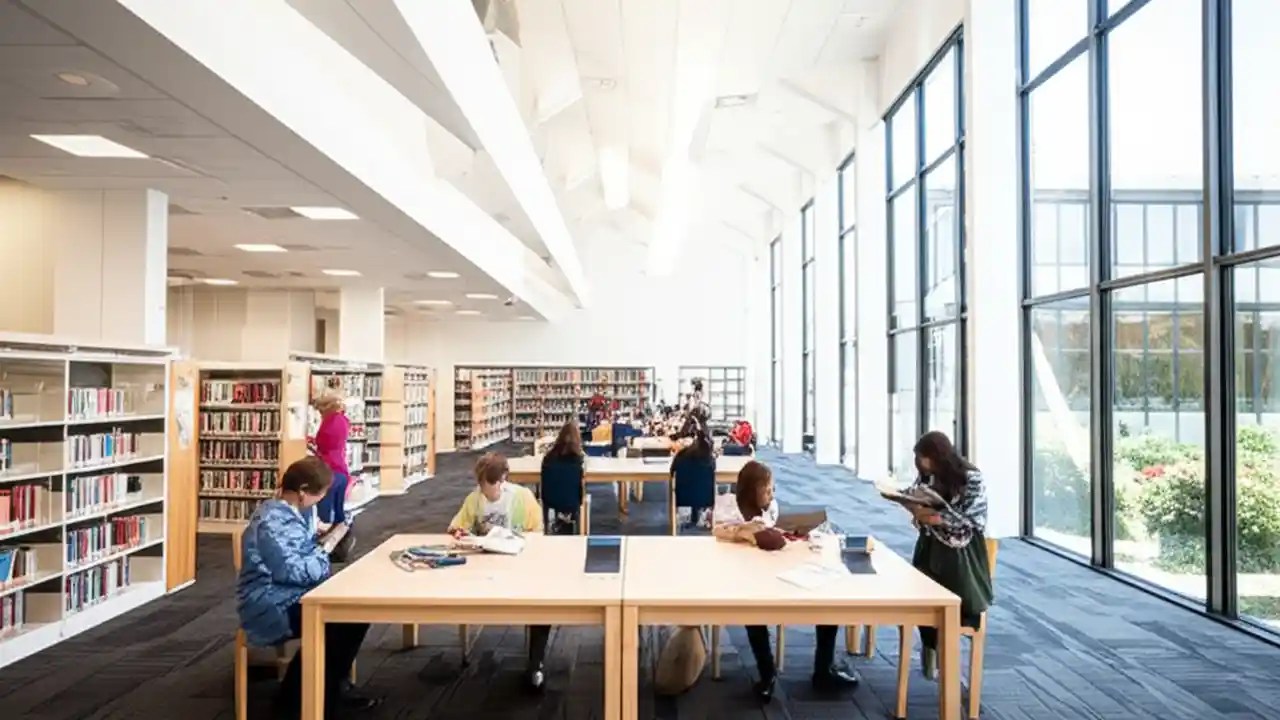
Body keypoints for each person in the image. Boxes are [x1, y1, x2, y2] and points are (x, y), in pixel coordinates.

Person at [237, 456, 379, 717]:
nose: (320, 501)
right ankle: (299, 698)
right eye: (319, 495)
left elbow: (299, 557)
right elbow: (296, 571)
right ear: (302, 492)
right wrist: (329, 543)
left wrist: (319, 538)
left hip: (292, 593)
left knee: (354, 612)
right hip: (271, 603)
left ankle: (328, 685)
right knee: (341, 619)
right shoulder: (273, 522)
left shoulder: (290, 513)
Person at [711, 460, 859, 703]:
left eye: (772, 489)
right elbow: (721, 531)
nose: (772, 494)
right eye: (766, 490)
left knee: (827, 598)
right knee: (753, 611)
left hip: (776, 566)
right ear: (751, 490)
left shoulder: (772, 508)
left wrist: (795, 533)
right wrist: (749, 532)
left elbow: (777, 534)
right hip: (743, 575)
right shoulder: (728, 506)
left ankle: (823, 669)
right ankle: (767, 673)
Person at [446, 453, 551, 690]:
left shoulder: (523, 498)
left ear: (503, 480)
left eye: (490, 485)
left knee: (542, 602)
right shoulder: (474, 500)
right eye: (482, 485)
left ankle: (536, 663)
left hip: (519, 564)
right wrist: (461, 534)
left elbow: (538, 533)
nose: (486, 490)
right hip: (482, 567)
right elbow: (457, 526)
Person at [906, 431, 994, 679]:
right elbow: (917, 502)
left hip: (961, 555)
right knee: (919, 596)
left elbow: (972, 520)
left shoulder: (972, 478)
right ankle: (931, 646)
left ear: (940, 456)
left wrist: (935, 517)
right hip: (931, 548)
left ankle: (944, 652)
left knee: (945, 601)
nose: (924, 466)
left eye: (926, 460)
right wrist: (915, 509)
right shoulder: (928, 477)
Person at [312, 389, 351, 535]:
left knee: (325, 511)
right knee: (338, 511)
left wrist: (315, 447)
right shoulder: (342, 420)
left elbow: (325, 445)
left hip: (329, 468)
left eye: (321, 411)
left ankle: (324, 543)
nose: (320, 414)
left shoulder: (330, 422)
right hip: (340, 467)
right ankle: (341, 542)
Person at [541, 421, 586, 534]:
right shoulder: (578, 460)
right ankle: (579, 528)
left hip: (549, 499)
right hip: (572, 500)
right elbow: (580, 485)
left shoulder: (548, 458)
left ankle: (547, 526)